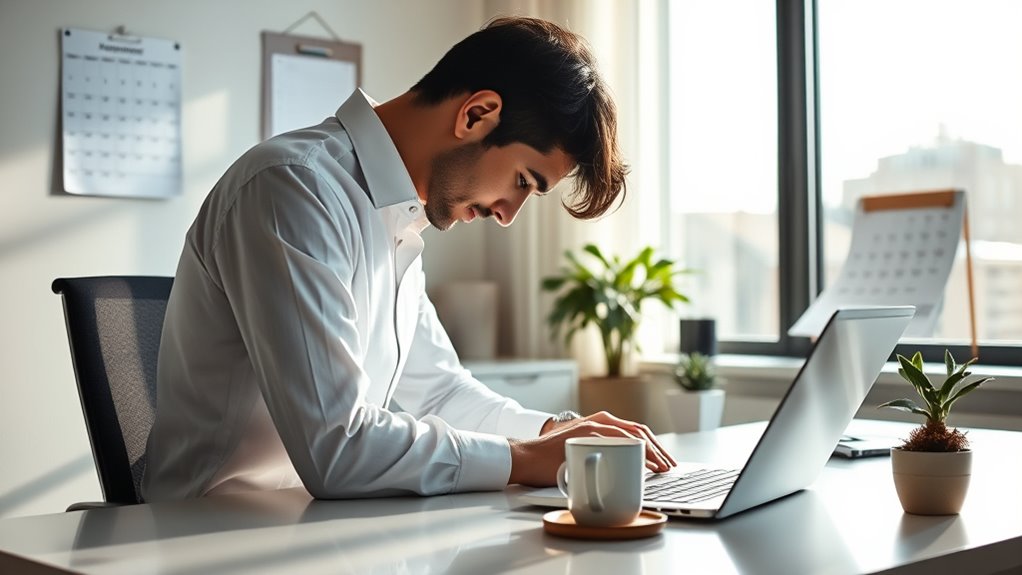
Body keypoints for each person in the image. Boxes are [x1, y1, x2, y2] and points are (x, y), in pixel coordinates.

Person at [142, 16, 676, 503]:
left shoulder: (395, 219)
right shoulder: (292, 190)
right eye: (522, 182)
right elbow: (338, 447)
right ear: (477, 114)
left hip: (313, 527)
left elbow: (440, 391)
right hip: (209, 533)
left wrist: (556, 434)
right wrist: (522, 459)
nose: (508, 215)